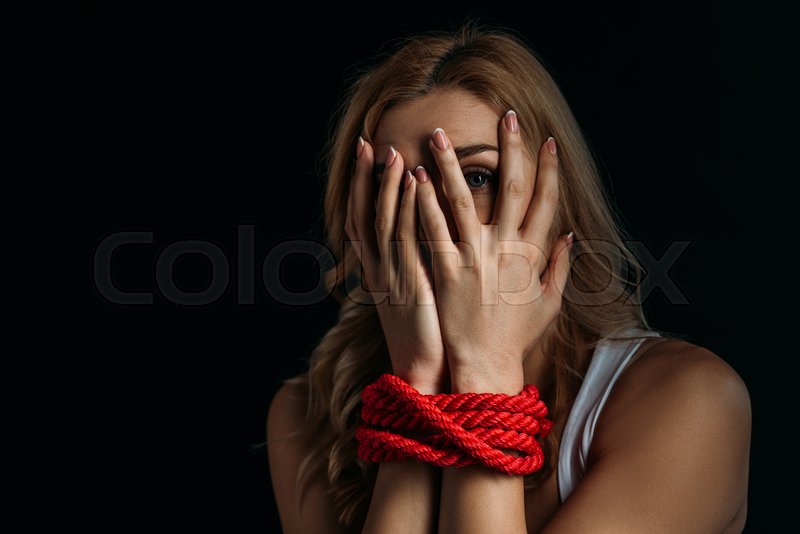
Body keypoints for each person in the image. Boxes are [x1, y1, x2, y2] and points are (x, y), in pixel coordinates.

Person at [266, 25, 751, 533]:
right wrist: (416, 388)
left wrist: (484, 372)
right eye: (392, 185)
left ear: (551, 198)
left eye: (474, 178)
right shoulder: (306, 417)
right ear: (358, 218)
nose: (430, 220)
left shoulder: (688, 403)